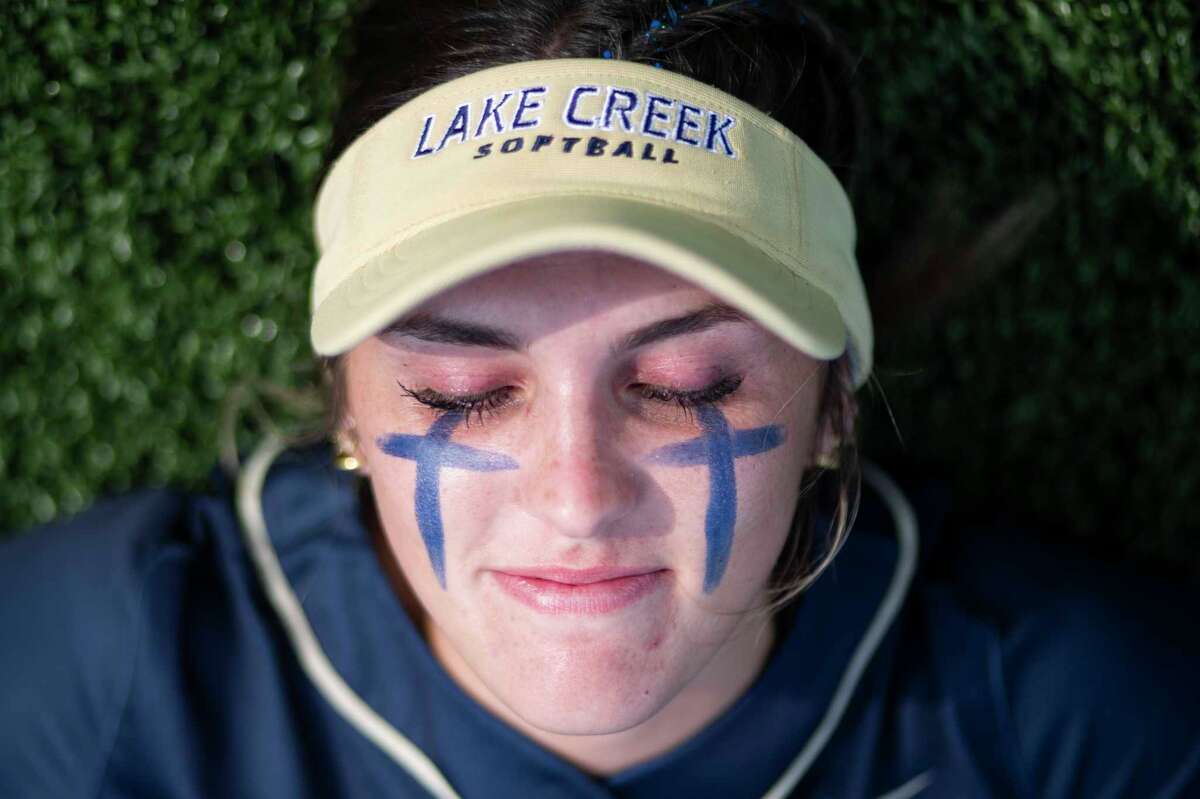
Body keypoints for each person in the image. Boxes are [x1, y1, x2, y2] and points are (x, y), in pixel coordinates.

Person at [2, 1, 1197, 797]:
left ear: (838, 401)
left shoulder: (1078, 718)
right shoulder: (106, 671)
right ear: (347, 407)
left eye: (687, 385)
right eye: (462, 393)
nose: (576, 497)